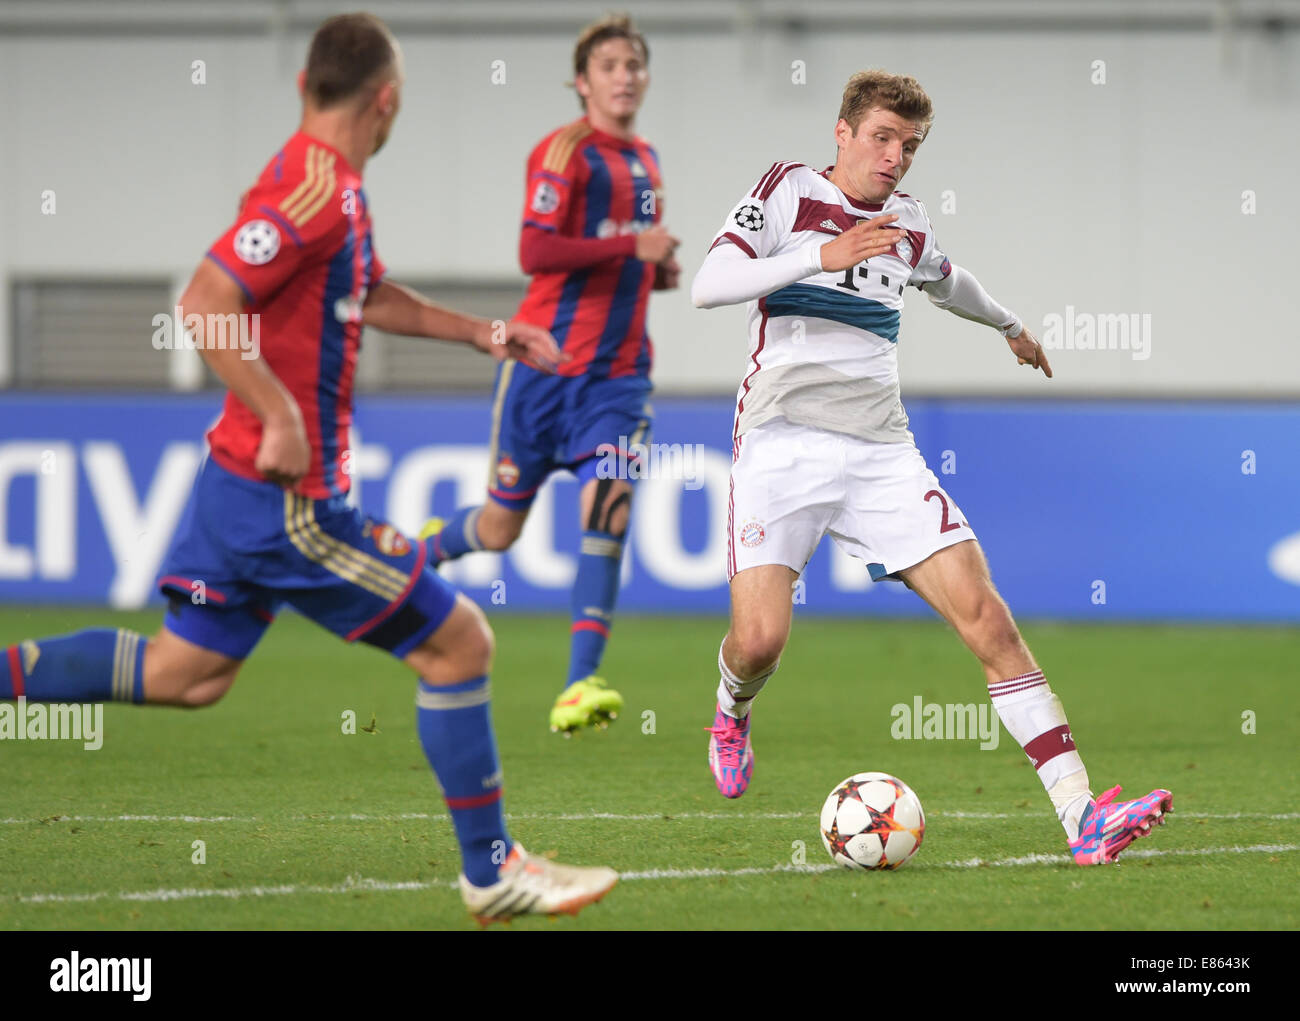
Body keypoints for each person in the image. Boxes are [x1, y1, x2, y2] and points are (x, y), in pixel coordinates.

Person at [0, 12, 617, 920]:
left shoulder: (332, 192)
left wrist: (487, 333)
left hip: (233, 486)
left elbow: (365, 294)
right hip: (284, 501)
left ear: (305, 87)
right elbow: (206, 302)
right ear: (388, 100)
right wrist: (279, 411)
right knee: (459, 644)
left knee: (187, 674)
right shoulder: (315, 191)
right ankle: (494, 872)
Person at [691, 69, 1172, 865]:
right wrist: (821, 254)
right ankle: (730, 709)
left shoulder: (908, 222)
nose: (896, 157)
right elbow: (711, 286)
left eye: (909, 145)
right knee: (761, 639)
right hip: (782, 443)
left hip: (882, 451)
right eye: (882, 137)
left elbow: (950, 282)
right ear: (841, 131)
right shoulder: (786, 191)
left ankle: (1083, 817)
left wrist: (1010, 324)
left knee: (988, 617)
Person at [418, 14, 679, 735]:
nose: (624, 75)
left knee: (609, 511)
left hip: (618, 380)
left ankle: (578, 682)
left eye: (634, 63)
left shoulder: (648, 160)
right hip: (544, 367)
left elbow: (621, 257)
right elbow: (535, 250)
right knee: (500, 529)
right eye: (609, 65)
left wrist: (654, 270)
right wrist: (633, 245)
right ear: (582, 81)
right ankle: (415, 555)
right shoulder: (563, 152)